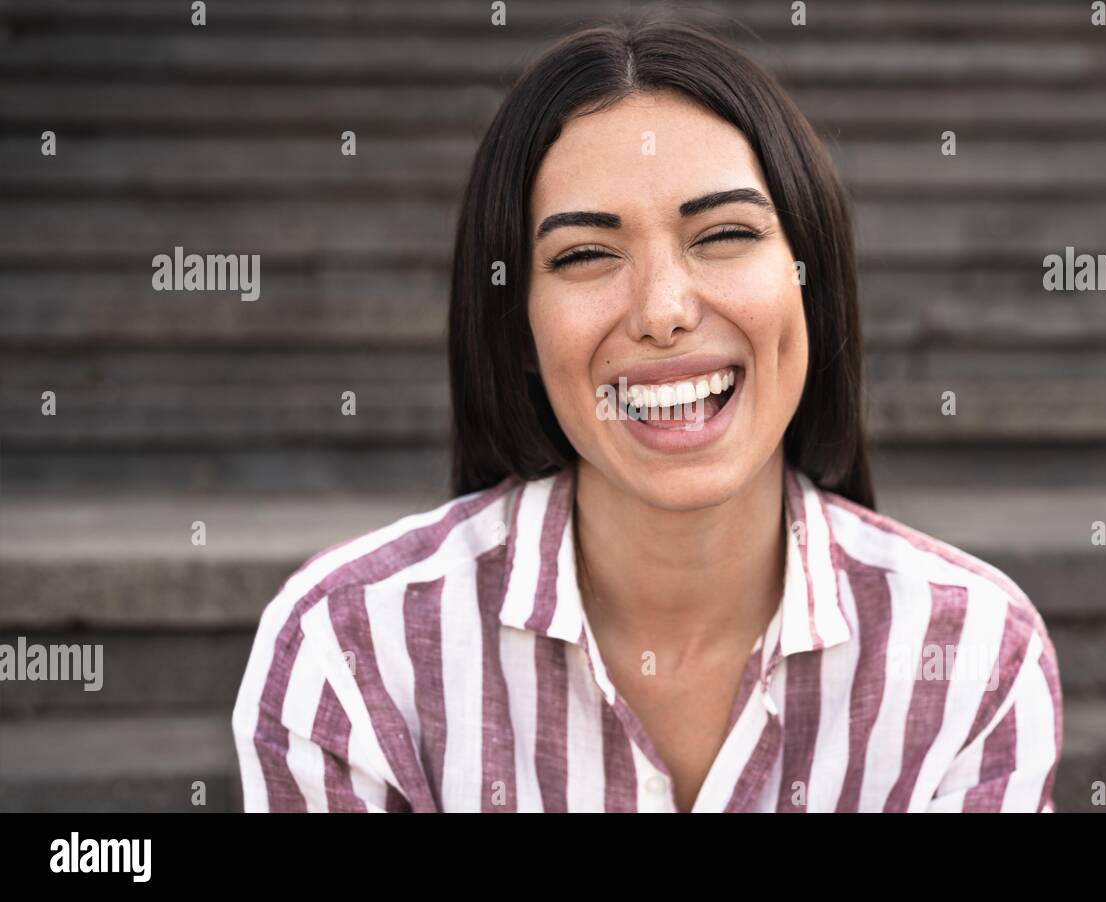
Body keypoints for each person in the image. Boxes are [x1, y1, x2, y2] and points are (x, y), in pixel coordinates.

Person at [232, 16, 1063, 813]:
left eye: (724, 234)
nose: (663, 310)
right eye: (585, 254)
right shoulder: (348, 653)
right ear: (517, 324)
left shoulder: (975, 656)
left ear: (808, 280)